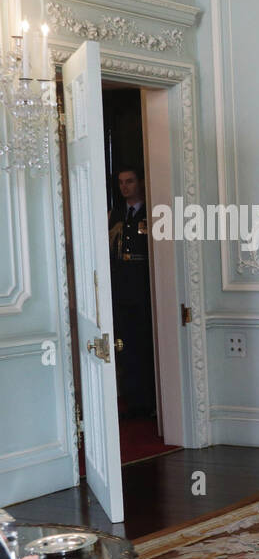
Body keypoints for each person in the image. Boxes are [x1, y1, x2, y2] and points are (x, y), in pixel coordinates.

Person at [107, 165, 155, 419]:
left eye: (130, 181)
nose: (125, 187)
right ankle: (134, 401)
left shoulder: (151, 211)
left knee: (146, 344)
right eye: (121, 183)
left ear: (140, 183)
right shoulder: (116, 214)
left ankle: (150, 402)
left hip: (144, 285)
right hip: (122, 286)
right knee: (126, 346)